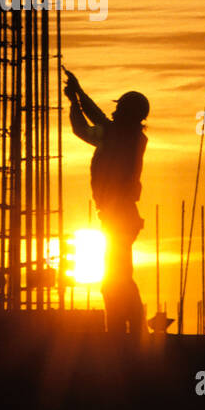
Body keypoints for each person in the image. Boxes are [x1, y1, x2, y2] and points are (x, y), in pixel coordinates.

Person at [64, 68, 149, 337]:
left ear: (127, 114)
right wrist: (77, 95)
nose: (113, 113)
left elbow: (84, 127)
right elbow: (98, 118)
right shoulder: (125, 136)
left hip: (119, 216)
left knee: (116, 279)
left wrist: (75, 100)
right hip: (118, 216)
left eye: (119, 109)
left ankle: (127, 331)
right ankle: (126, 330)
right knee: (116, 279)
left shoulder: (121, 138)